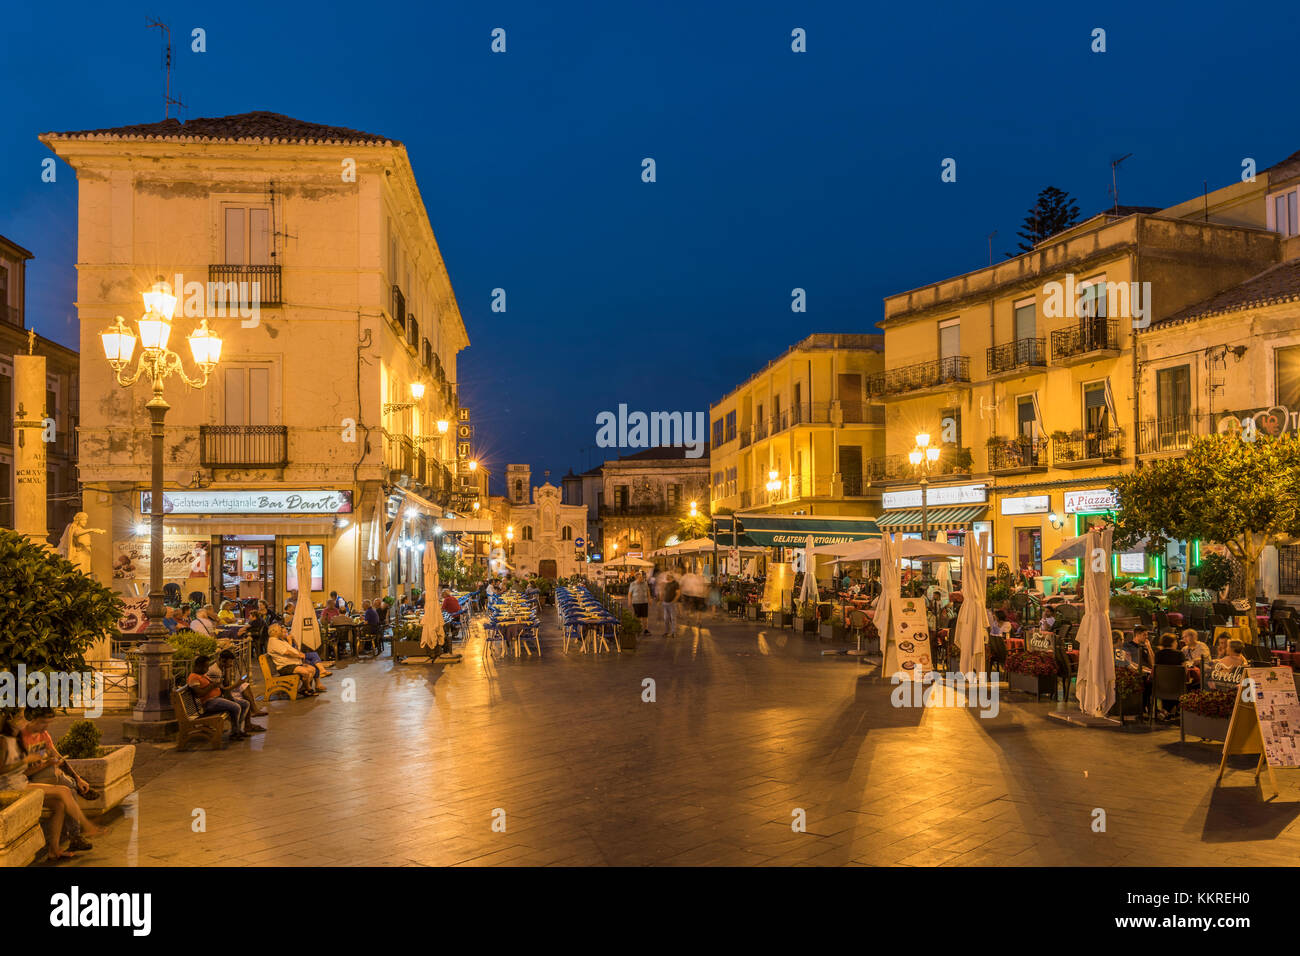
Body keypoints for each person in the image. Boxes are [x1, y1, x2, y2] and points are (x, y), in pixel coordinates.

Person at [2, 712, 107, 860]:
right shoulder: (4, 741)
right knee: (64, 790)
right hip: (11, 788)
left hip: (21, 783)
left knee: (59, 805)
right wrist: (27, 760)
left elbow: (57, 758)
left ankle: (54, 850)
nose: (25, 721)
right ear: (10, 722)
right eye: (21, 718)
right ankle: (86, 827)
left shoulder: (16, 740)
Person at [188, 655, 248, 739]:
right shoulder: (193, 677)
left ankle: (238, 729)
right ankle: (235, 733)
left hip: (217, 699)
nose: (207, 669)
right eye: (205, 667)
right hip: (209, 702)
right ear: (199, 666)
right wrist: (212, 686)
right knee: (236, 707)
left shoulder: (203, 675)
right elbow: (199, 693)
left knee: (244, 704)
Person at [267, 623, 322, 696]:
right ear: (275, 631)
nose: (282, 631)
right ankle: (308, 688)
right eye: (280, 630)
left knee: (313, 669)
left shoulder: (279, 640)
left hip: (292, 664)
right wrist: (298, 656)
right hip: (285, 667)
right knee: (306, 672)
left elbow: (291, 649)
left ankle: (304, 688)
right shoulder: (273, 641)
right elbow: (287, 652)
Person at [215, 648, 268, 722]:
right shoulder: (216, 671)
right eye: (230, 662)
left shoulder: (222, 668)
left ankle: (254, 710)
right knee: (244, 701)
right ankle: (248, 721)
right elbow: (224, 690)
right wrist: (237, 684)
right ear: (223, 661)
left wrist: (227, 671)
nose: (231, 664)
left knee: (245, 685)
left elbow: (226, 683)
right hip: (219, 697)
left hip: (225, 693)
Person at [1153, 633, 1185, 719]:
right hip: (1177, 688)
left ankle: (1165, 710)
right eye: (1176, 642)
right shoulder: (1179, 654)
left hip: (1160, 687)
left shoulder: (1158, 654)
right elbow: (1184, 671)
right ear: (1172, 643)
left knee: (1169, 686)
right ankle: (1169, 710)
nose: (1177, 644)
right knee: (1189, 686)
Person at [660, 570, 681, 638]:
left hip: (672, 603)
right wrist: (662, 599)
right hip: (665, 603)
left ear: (670, 577)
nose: (666, 577)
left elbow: (678, 593)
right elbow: (664, 592)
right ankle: (666, 632)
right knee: (666, 618)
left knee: (673, 618)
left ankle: (673, 632)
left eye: (667, 576)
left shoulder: (675, 583)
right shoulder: (667, 583)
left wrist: (673, 601)